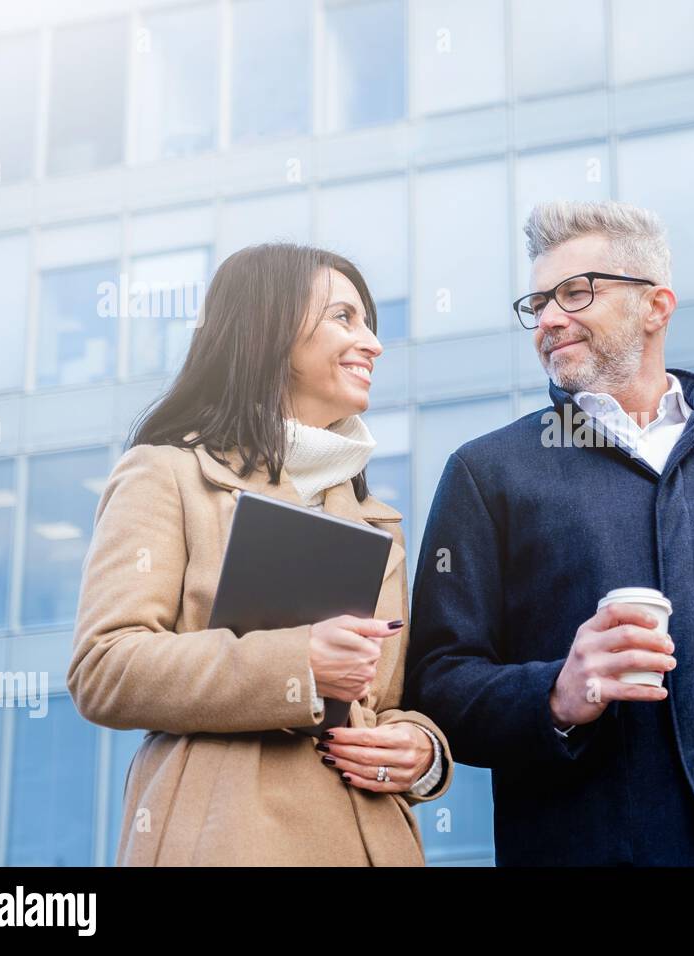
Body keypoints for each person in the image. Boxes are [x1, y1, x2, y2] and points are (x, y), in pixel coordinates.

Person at [404, 199, 694, 866]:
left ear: (656, 307)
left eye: (575, 293)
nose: (548, 319)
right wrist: (558, 694)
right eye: (537, 303)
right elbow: (434, 686)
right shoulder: (486, 474)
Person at [68, 242, 453, 865]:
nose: (373, 345)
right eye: (344, 319)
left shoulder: (379, 523)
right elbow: (104, 668)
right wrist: (296, 662)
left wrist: (420, 750)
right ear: (269, 330)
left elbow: (385, 703)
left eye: (370, 325)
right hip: (224, 834)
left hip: (365, 839)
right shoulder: (164, 475)